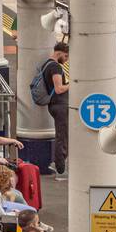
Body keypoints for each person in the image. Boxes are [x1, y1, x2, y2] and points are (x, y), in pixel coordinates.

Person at [39, 42, 69, 177]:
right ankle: (61, 167)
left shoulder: (46, 64)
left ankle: (60, 164)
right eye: (66, 56)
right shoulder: (55, 67)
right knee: (62, 136)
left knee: (62, 135)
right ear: (60, 53)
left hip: (54, 104)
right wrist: (73, 83)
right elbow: (59, 88)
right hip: (59, 105)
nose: (66, 59)